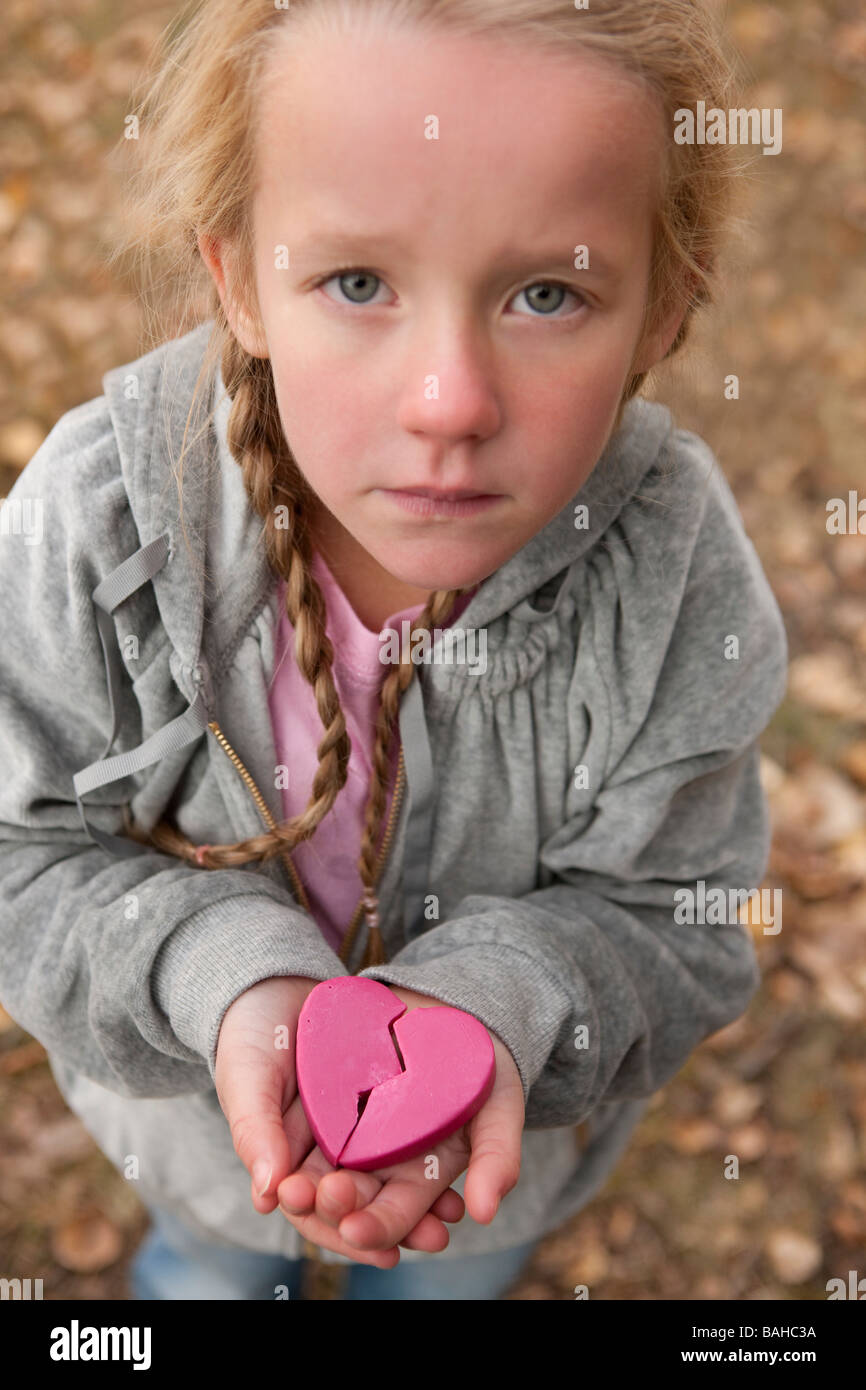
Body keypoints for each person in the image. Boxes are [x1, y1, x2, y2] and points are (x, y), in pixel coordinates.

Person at [0, 0, 788, 1301]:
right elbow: (22, 853)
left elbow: (679, 920)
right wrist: (224, 981)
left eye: (547, 292)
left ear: (662, 313)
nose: (448, 402)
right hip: (206, 1163)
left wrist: (500, 1004)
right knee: (203, 1275)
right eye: (356, 283)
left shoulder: (671, 568)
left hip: (481, 1197)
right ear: (240, 278)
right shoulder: (100, 527)